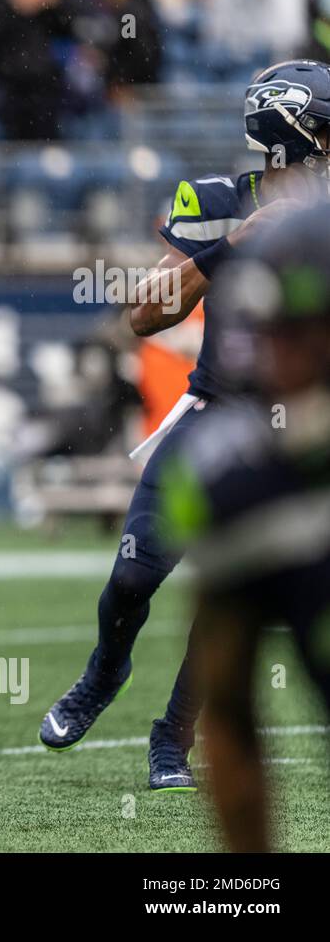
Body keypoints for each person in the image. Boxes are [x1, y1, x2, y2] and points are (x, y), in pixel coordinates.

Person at [38, 60, 330, 790]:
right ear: (290, 135)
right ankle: (105, 672)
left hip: (301, 432)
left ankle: (172, 740)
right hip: (213, 419)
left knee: (236, 593)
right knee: (133, 577)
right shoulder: (216, 201)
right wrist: (231, 247)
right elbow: (144, 315)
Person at [161, 204, 330, 851]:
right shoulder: (230, 480)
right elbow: (229, 713)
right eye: (272, 332)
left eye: (306, 329)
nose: (281, 358)